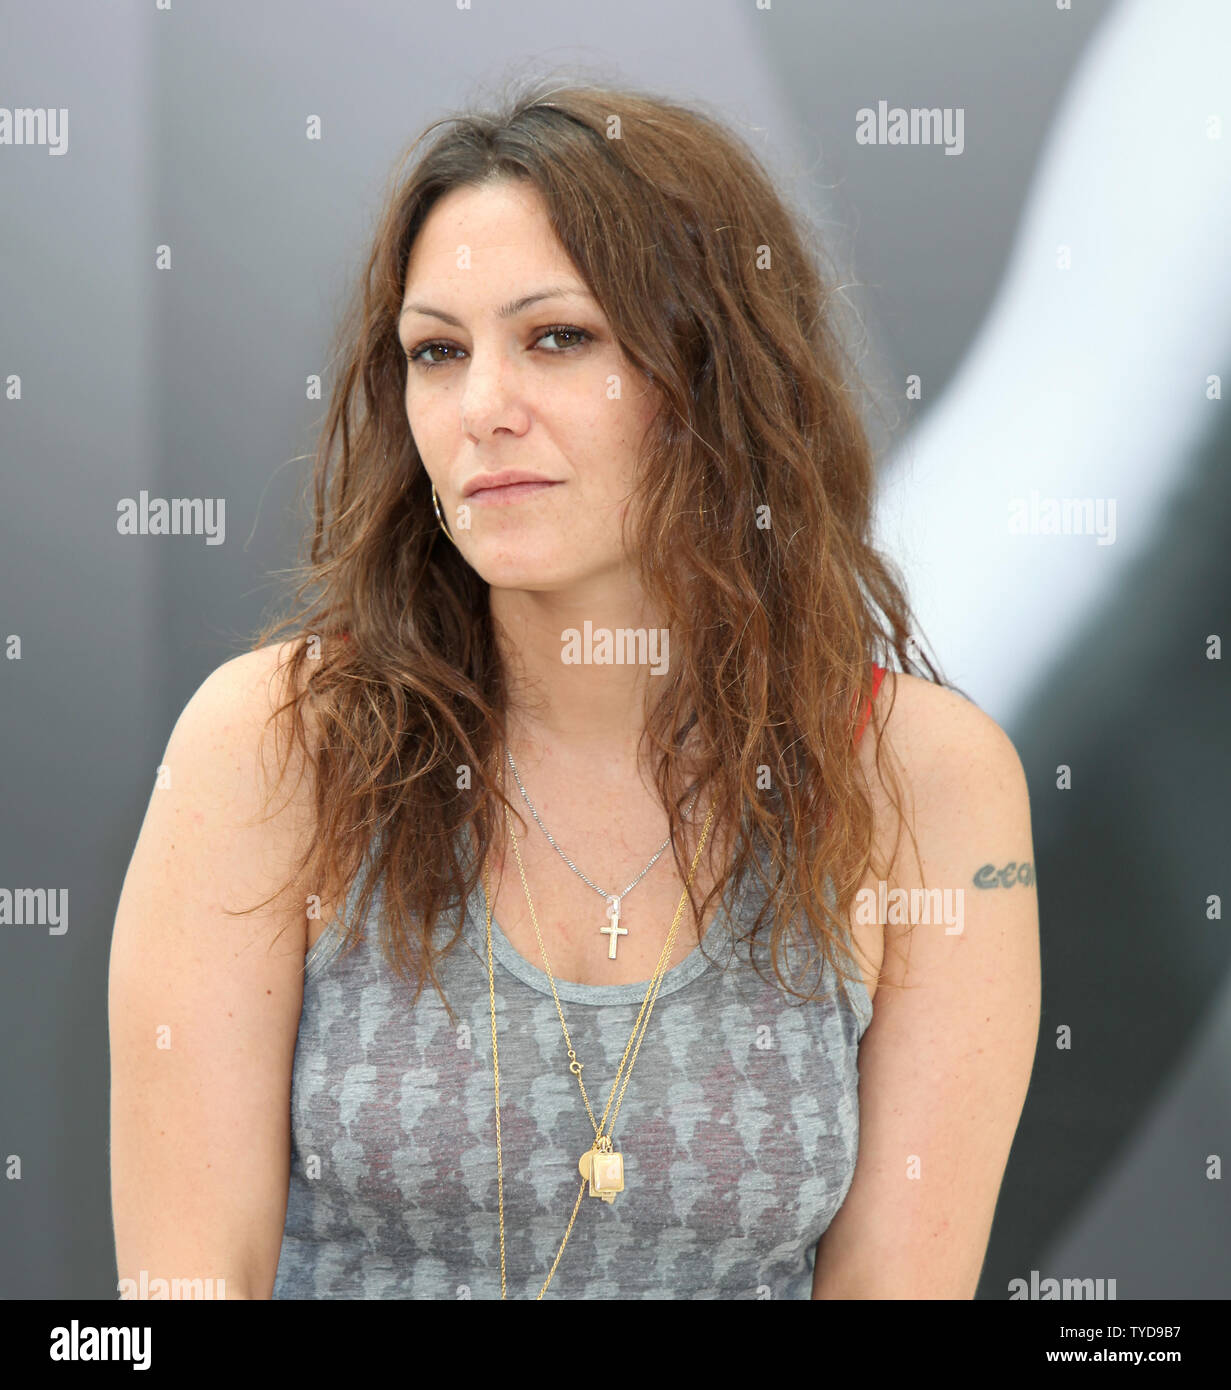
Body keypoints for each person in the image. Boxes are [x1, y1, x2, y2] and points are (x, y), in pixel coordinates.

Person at [108, 79, 1039, 1300]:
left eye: (558, 338)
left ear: (715, 374)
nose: (482, 408)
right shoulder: (274, 742)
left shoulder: (927, 779)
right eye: (437, 352)